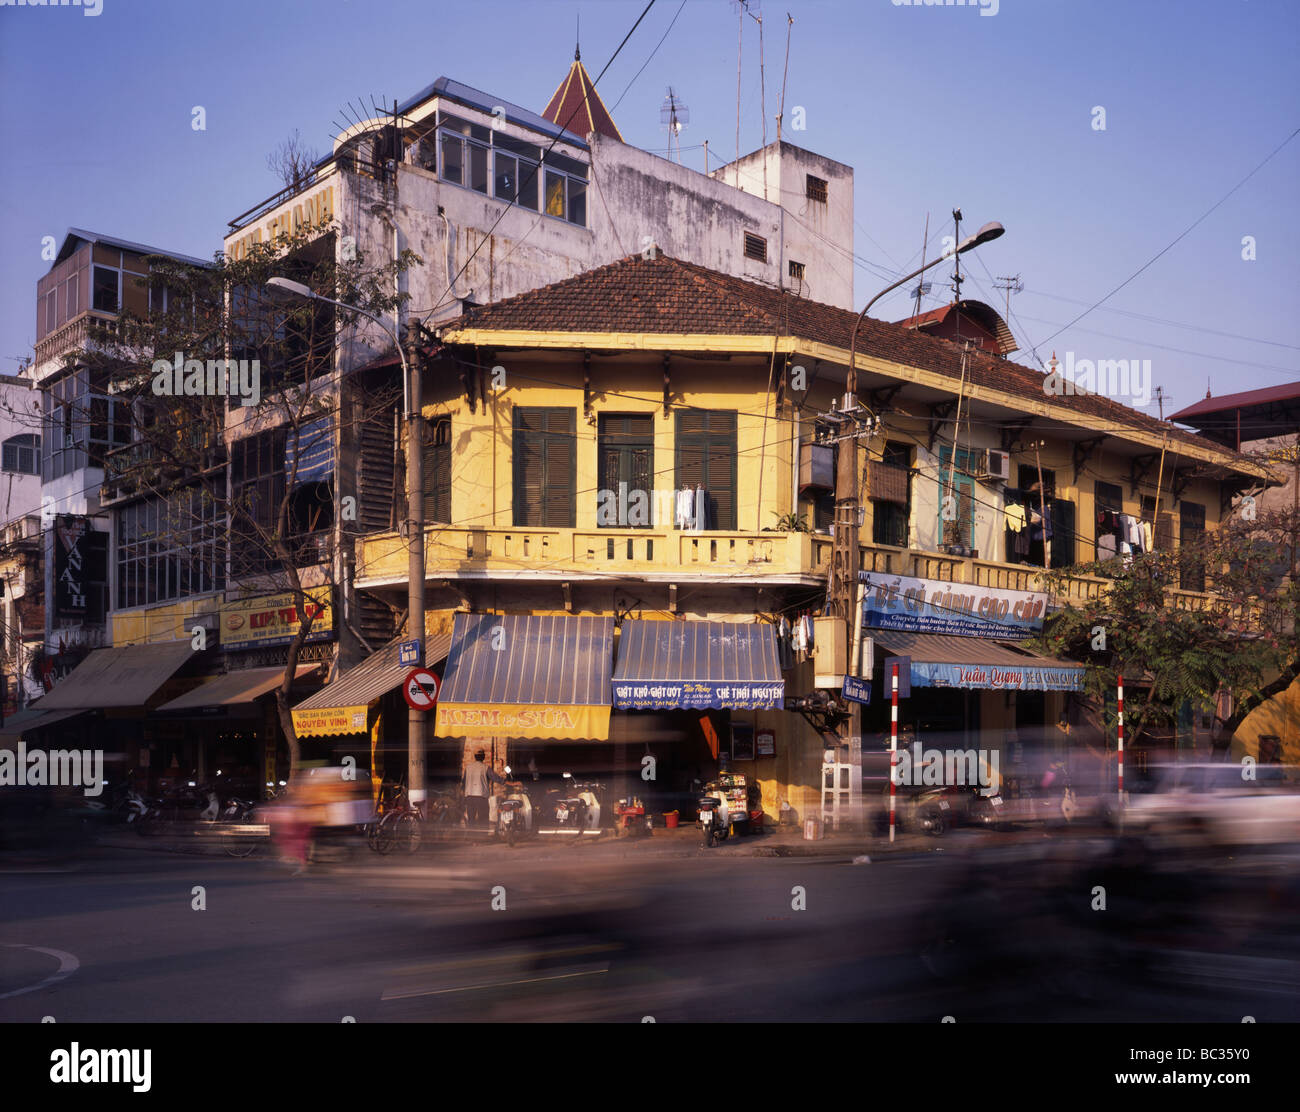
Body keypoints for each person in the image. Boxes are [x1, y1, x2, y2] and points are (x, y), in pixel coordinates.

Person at [462, 750, 491, 829]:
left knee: (471, 819)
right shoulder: (485, 768)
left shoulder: (468, 767)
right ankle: (483, 837)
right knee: (483, 818)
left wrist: (464, 795)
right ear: (483, 757)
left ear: (475, 757)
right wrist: (507, 782)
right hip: (481, 796)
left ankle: (472, 836)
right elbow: (495, 778)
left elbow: (463, 783)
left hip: (470, 796)